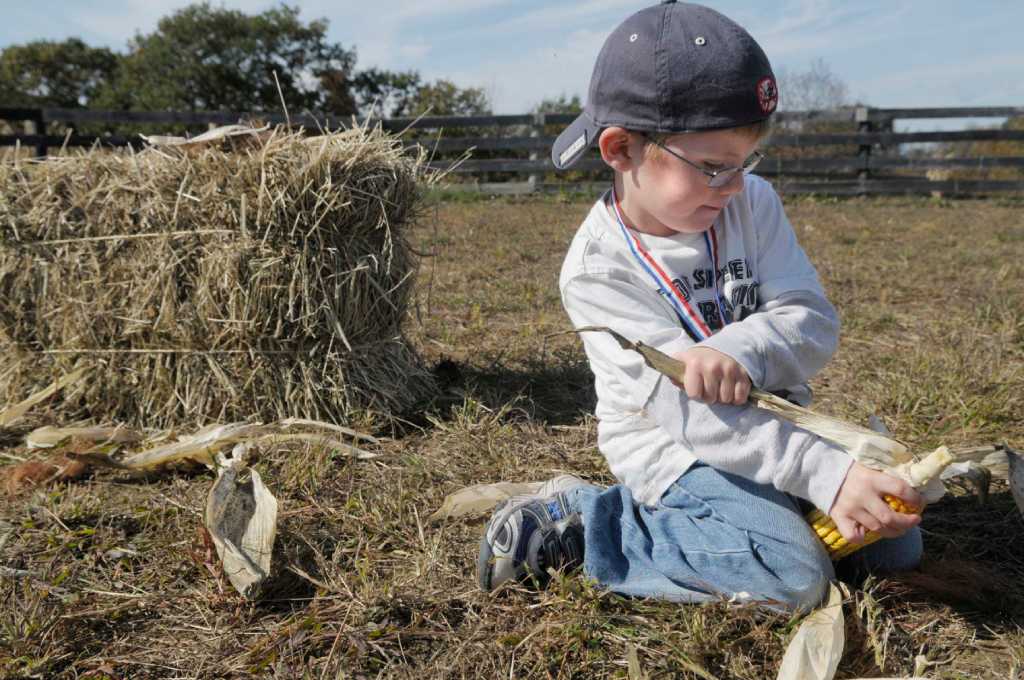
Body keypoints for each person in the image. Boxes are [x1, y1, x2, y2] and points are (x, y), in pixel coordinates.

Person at [477, 0, 923, 611]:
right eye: (713, 167)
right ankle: (593, 522)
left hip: (772, 427)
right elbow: (694, 416)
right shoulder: (597, 273)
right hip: (675, 447)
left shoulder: (751, 203)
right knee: (794, 576)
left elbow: (812, 319)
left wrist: (733, 349)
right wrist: (825, 474)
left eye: (745, 162)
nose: (735, 185)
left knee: (895, 549)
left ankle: (763, 515)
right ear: (620, 150)